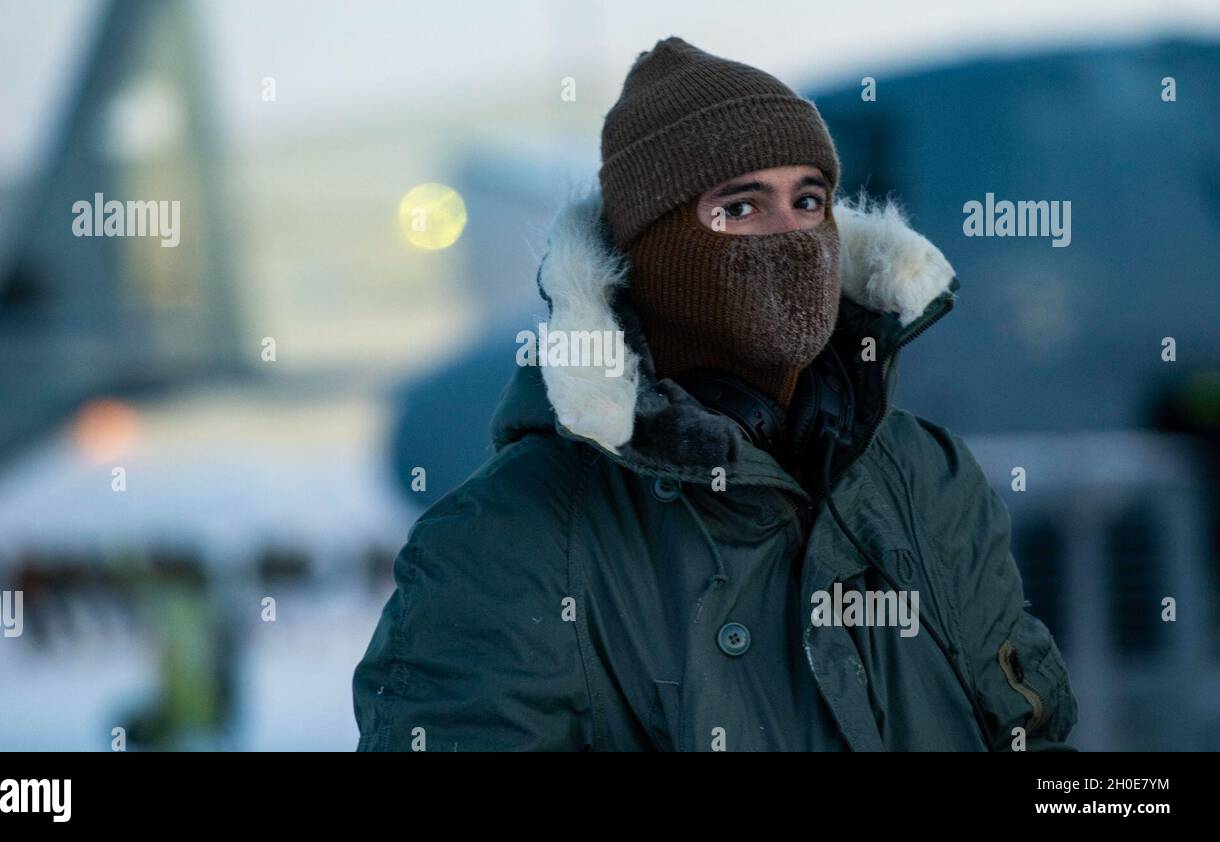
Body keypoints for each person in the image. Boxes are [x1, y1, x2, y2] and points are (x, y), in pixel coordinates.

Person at [353, 36, 1078, 751]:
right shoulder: (511, 543)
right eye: (740, 208)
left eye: (810, 199)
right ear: (655, 253)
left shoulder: (924, 477)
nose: (793, 236)